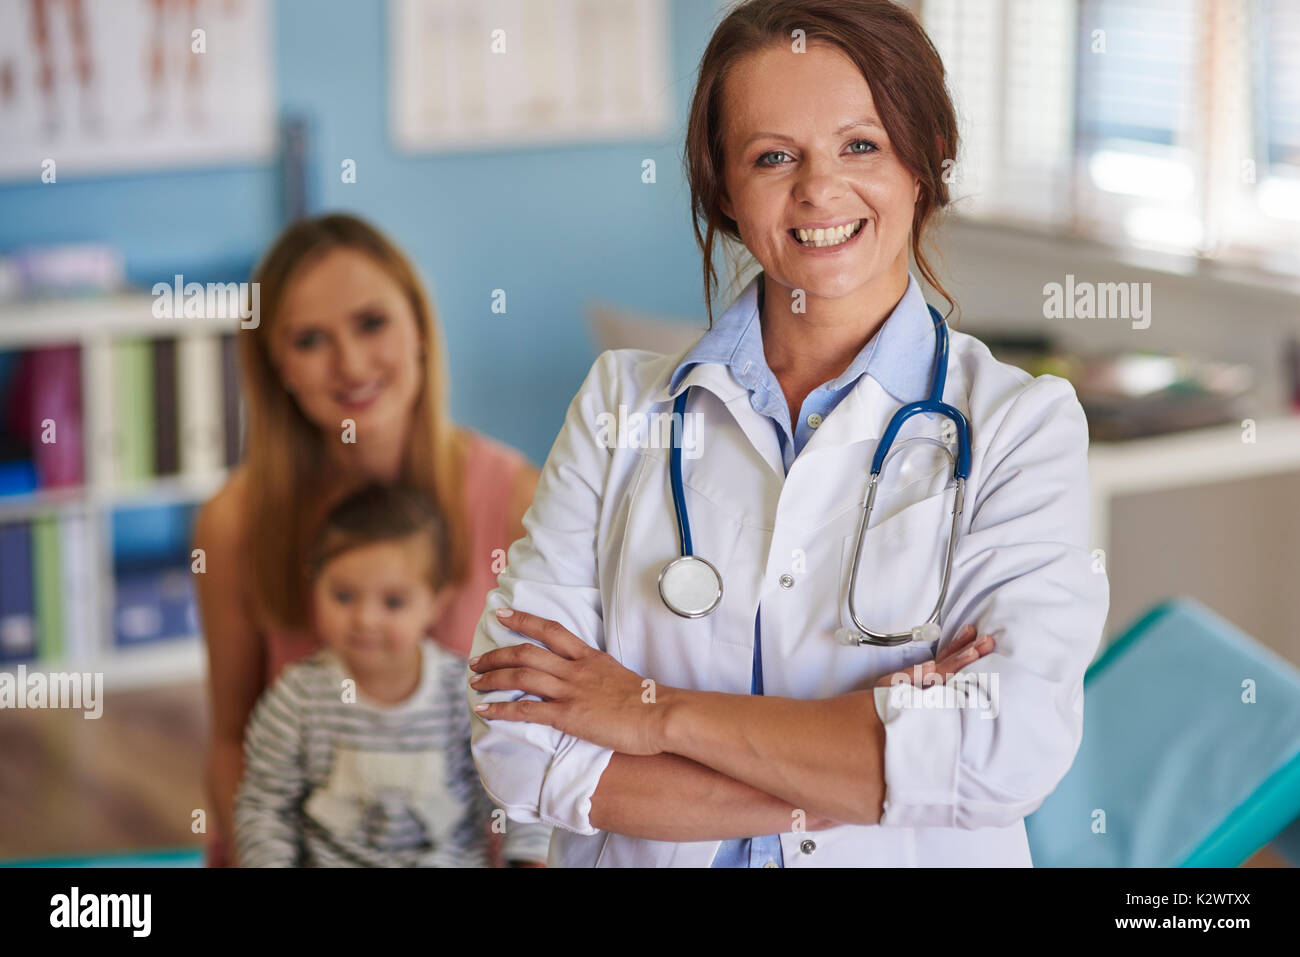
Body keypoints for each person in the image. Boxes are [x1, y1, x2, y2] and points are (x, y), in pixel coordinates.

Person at [466, 0, 1109, 867]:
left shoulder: (1019, 429)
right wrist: (866, 760)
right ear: (724, 189)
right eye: (774, 157)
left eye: (861, 146)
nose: (819, 189)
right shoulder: (618, 407)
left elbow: (1001, 753)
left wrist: (651, 711)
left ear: (923, 162)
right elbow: (517, 741)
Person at [194, 213, 541, 867]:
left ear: (419, 329)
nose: (350, 364)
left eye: (372, 323)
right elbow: (229, 740)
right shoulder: (232, 523)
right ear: (276, 366)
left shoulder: (518, 499)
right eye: (309, 340)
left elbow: (551, 737)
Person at [234, 483, 550, 867]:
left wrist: (529, 858)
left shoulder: (466, 692)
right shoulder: (297, 699)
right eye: (344, 596)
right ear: (314, 587)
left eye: (394, 602)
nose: (366, 619)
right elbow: (264, 809)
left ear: (436, 602)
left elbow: (515, 787)